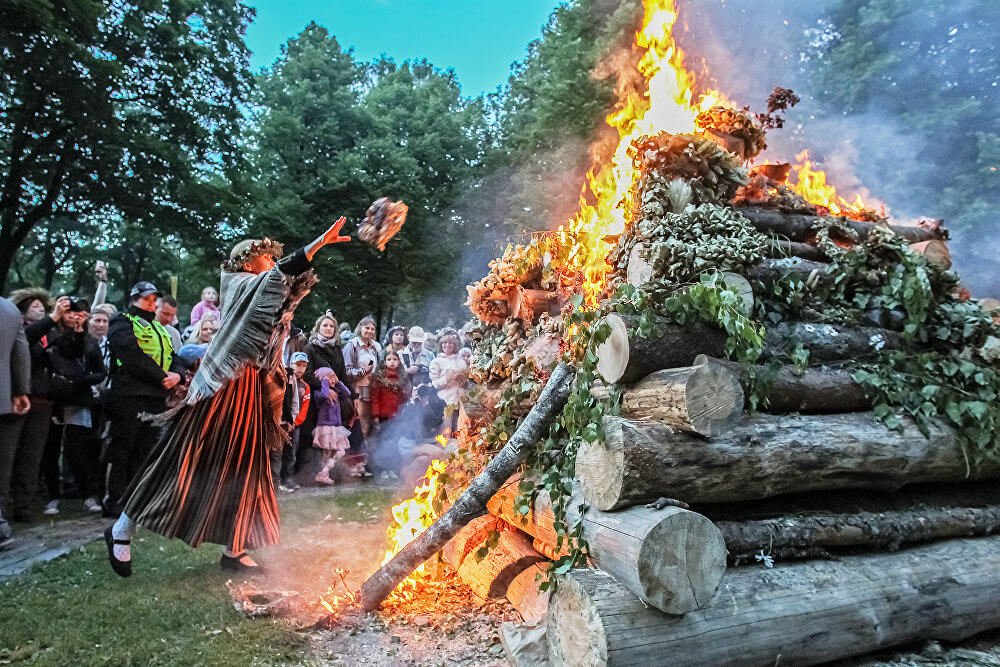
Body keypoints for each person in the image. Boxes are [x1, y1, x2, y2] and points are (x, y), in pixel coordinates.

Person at [106, 217, 351, 577]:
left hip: (251, 389)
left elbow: (281, 294)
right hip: (221, 387)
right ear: (247, 262)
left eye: (272, 258)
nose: (271, 262)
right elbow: (277, 279)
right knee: (182, 460)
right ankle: (120, 529)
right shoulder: (237, 285)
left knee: (248, 467)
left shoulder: (264, 290)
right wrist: (317, 244)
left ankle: (234, 549)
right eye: (265, 258)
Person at [104, 281, 184, 517]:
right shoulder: (122, 322)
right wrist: (162, 377)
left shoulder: (159, 328)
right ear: (134, 299)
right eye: (146, 299)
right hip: (129, 395)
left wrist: (177, 374)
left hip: (156, 398)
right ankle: (115, 500)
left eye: (153, 299)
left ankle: (137, 499)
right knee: (123, 447)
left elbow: (174, 356)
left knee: (145, 449)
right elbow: (131, 355)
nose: (150, 303)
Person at [41, 297, 105, 515]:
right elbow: (65, 352)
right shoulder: (53, 336)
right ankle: (52, 496)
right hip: (53, 400)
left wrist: (81, 381)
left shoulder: (89, 341)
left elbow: (100, 372)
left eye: (79, 314)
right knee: (51, 449)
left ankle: (88, 494)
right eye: (70, 313)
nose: (74, 317)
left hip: (79, 401)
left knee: (77, 450)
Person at [5, 289, 65, 522]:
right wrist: (52, 317)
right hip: (16, 398)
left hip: (42, 401)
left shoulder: (51, 333)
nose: (41, 308)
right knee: (8, 454)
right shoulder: (15, 329)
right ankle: (3, 505)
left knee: (32, 456)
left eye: (43, 305)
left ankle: (24, 506)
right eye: (35, 305)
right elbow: (27, 337)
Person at [0, 296, 31, 550]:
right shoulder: (9, 309)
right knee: (2, 463)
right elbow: (21, 352)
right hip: (5, 398)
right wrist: (20, 390)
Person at [274, 352, 310, 492]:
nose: (300, 368)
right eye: (298, 364)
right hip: (280, 421)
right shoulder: (285, 377)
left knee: (291, 454)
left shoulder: (305, 386)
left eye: (303, 365)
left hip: (295, 424)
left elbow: (303, 406)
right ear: (291, 364)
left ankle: (287, 479)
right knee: (277, 453)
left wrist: (295, 421)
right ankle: (276, 480)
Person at [311, 367, 353, 486]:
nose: (333, 379)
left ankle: (324, 472)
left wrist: (338, 382)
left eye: (334, 376)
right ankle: (324, 475)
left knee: (340, 451)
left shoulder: (337, 392)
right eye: (330, 377)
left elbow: (348, 393)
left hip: (336, 427)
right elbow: (324, 395)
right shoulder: (318, 393)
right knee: (327, 453)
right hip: (326, 426)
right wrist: (324, 381)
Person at [342, 316, 381, 438]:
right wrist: (363, 371)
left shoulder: (375, 347)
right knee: (357, 424)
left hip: (371, 392)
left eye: (372, 328)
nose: (369, 331)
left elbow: (377, 368)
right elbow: (345, 372)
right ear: (360, 328)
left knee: (370, 426)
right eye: (367, 328)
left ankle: (368, 454)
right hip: (356, 392)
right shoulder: (352, 346)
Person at [429, 328, 468, 437]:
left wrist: (464, 380)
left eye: (451, 342)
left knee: (459, 431)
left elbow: (465, 384)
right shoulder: (436, 361)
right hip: (445, 402)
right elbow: (434, 385)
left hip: (460, 401)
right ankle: (443, 452)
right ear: (440, 344)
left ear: (455, 344)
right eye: (444, 342)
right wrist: (446, 378)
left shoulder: (461, 361)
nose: (447, 345)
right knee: (446, 431)